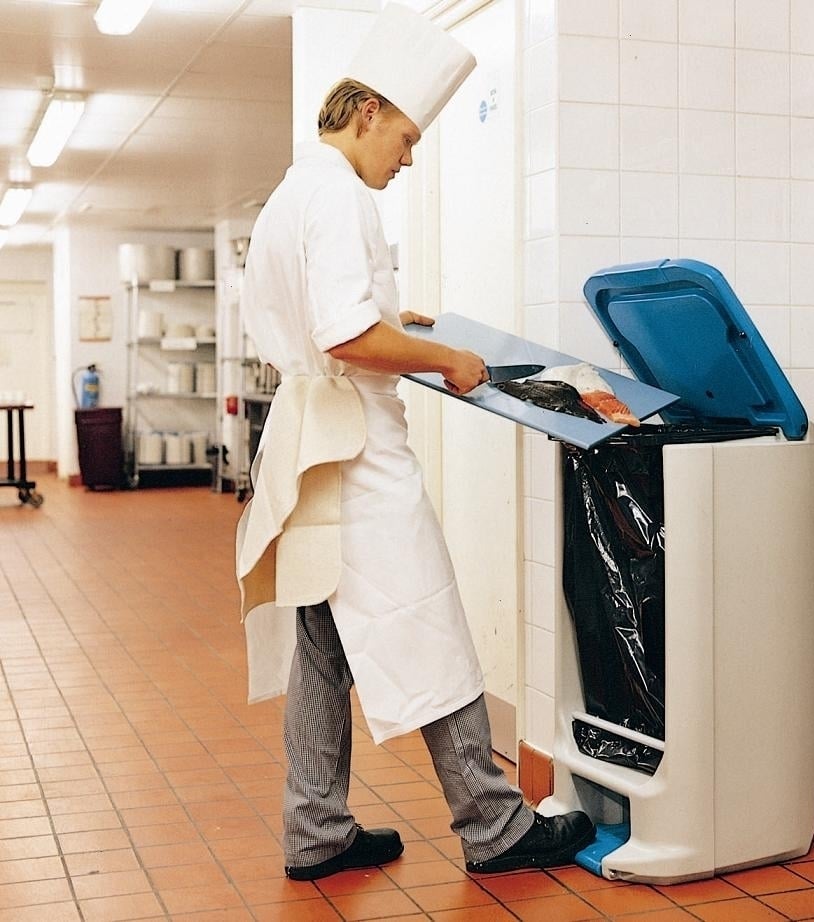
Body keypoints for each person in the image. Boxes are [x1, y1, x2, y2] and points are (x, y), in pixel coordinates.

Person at [235, 3, 594, 881]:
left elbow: (332, 319)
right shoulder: (338, 195)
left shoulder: (294, 192)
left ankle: (314, 830)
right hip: (354, 455)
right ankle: (495, 825)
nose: (407, 155)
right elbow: (347, 335)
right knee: (428, 618)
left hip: (309, 446)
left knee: (321, 646)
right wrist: (443, 356)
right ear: (367, 115)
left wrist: (406, 319)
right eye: (404, 136)